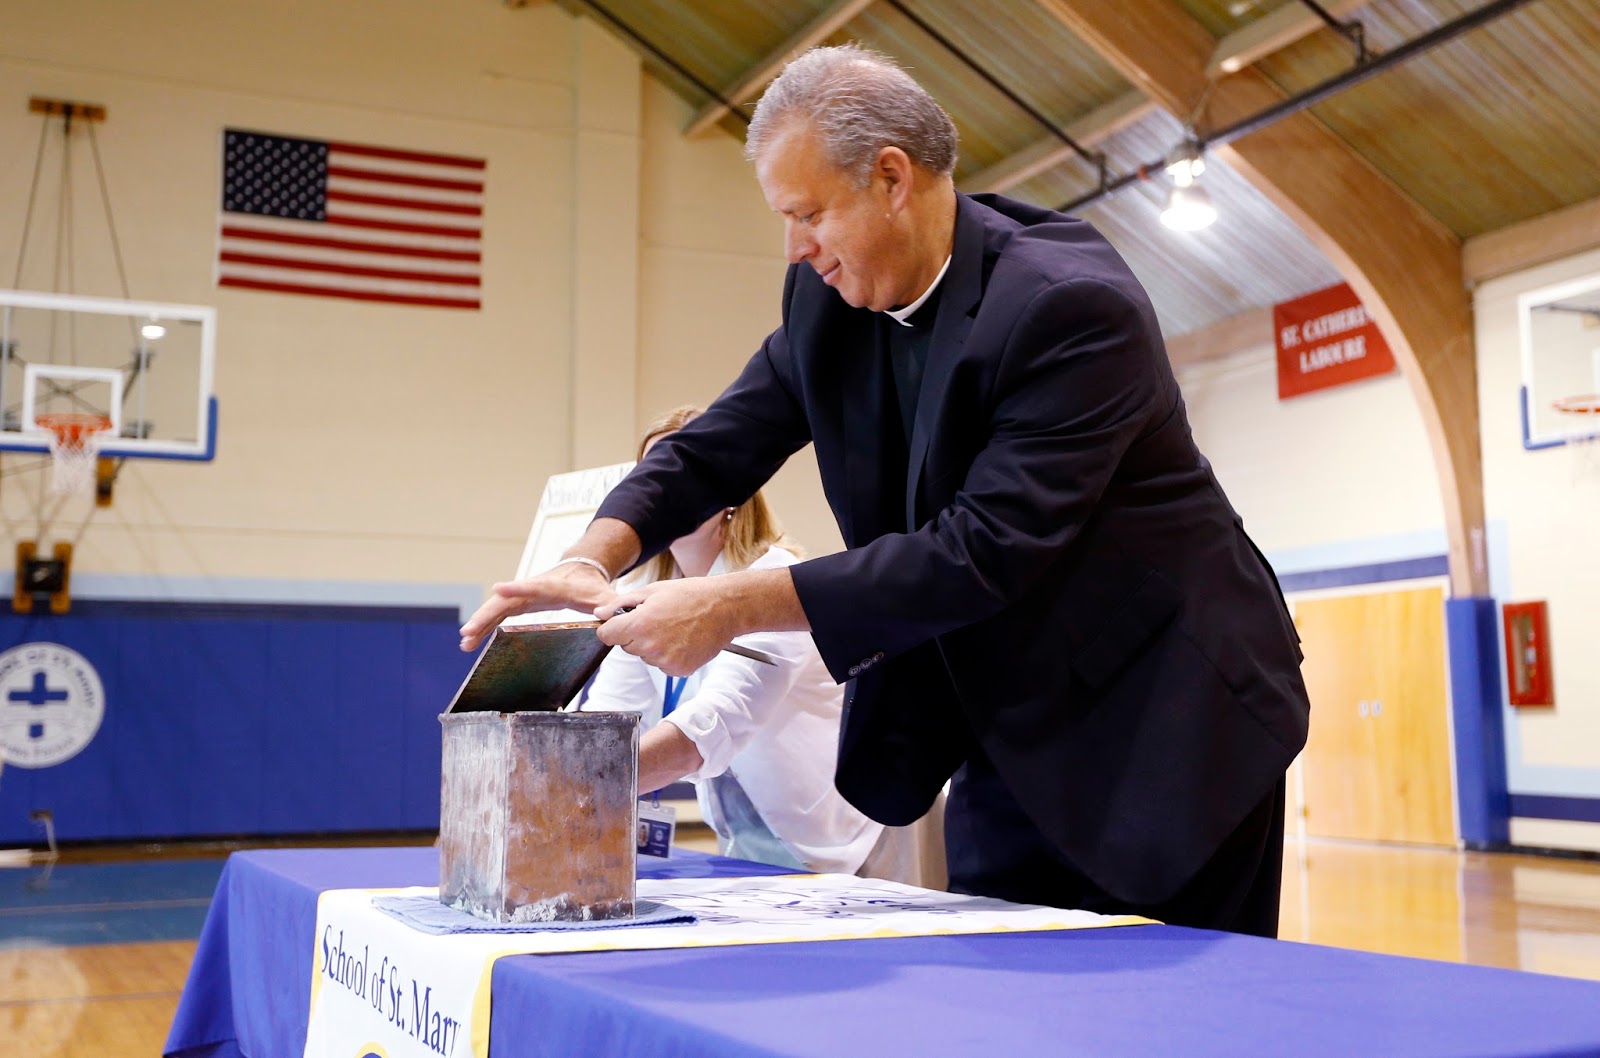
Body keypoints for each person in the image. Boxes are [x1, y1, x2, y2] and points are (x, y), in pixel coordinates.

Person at [462, 45, 1309, 937]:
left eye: (808, 214)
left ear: (892, 178)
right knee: (1008, 982)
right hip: (1009, 724)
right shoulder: (824, 301)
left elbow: (980, 551)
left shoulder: (1069, 307)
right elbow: (715, 446)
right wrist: (589, 560)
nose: (795, 247)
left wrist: (727, 607)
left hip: (1170, 722)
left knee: (1167, 998)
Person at [576, 406, 943, 884]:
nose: (661, 493)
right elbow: (607, 718)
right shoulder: (642, 594)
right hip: (749, 843)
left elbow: (713, 725)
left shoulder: (771, 581)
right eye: (650, 478)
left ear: (728, 490)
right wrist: (567, 760)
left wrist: (580, 784)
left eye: (679, 474)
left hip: (848, 843)